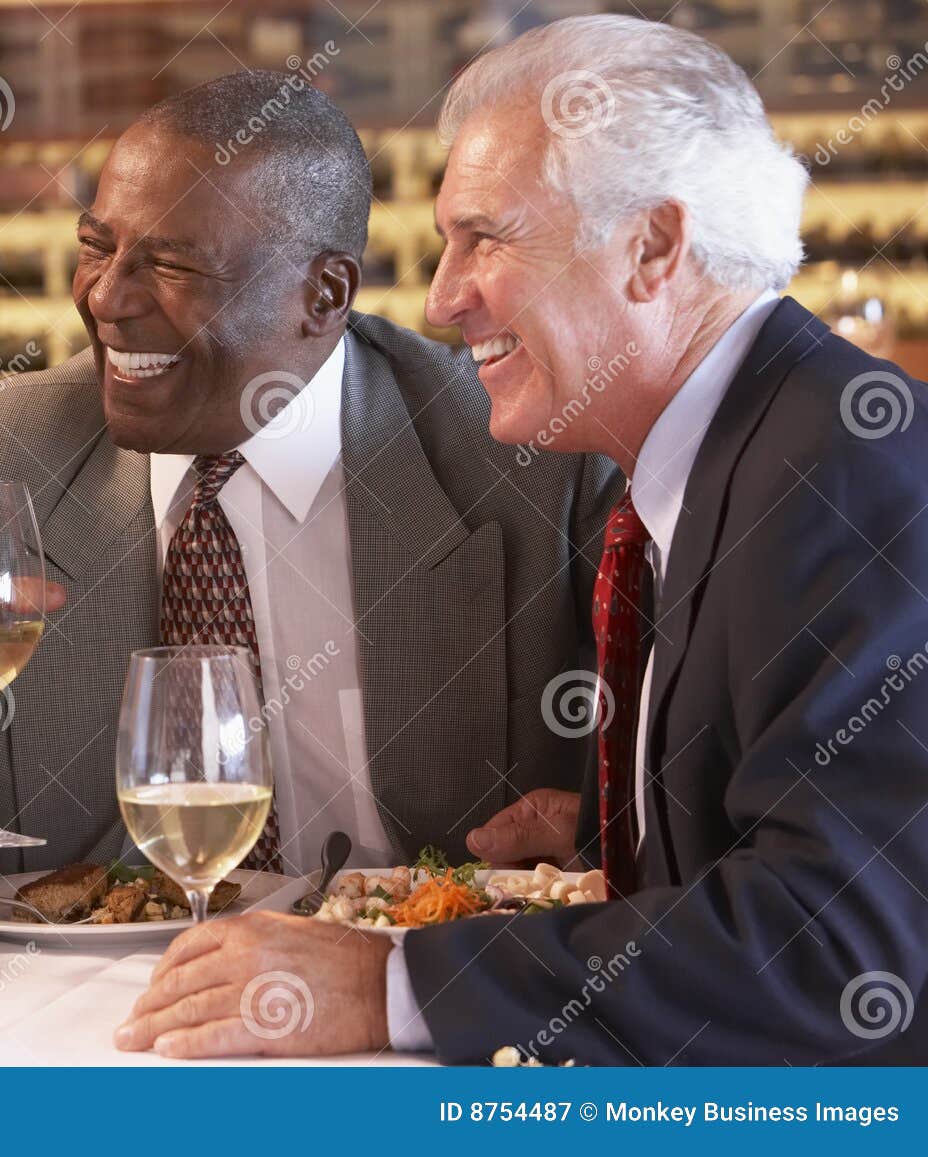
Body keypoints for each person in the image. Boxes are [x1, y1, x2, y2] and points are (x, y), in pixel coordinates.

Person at [116, 15, 928, 1065]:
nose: (442, 297)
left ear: (652, 248)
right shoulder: (742, 448)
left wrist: (387, 983)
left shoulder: (843, 471)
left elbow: (833, 944)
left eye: (485, 238)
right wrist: (618, 828)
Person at [0, 71, 620, 897]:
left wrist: (604, 831)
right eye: (97, 247)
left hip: (419, 966)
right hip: (94, 984)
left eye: (172, 266)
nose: (106, 299)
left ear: (323, 295)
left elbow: (665, 819)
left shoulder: (533, 454)